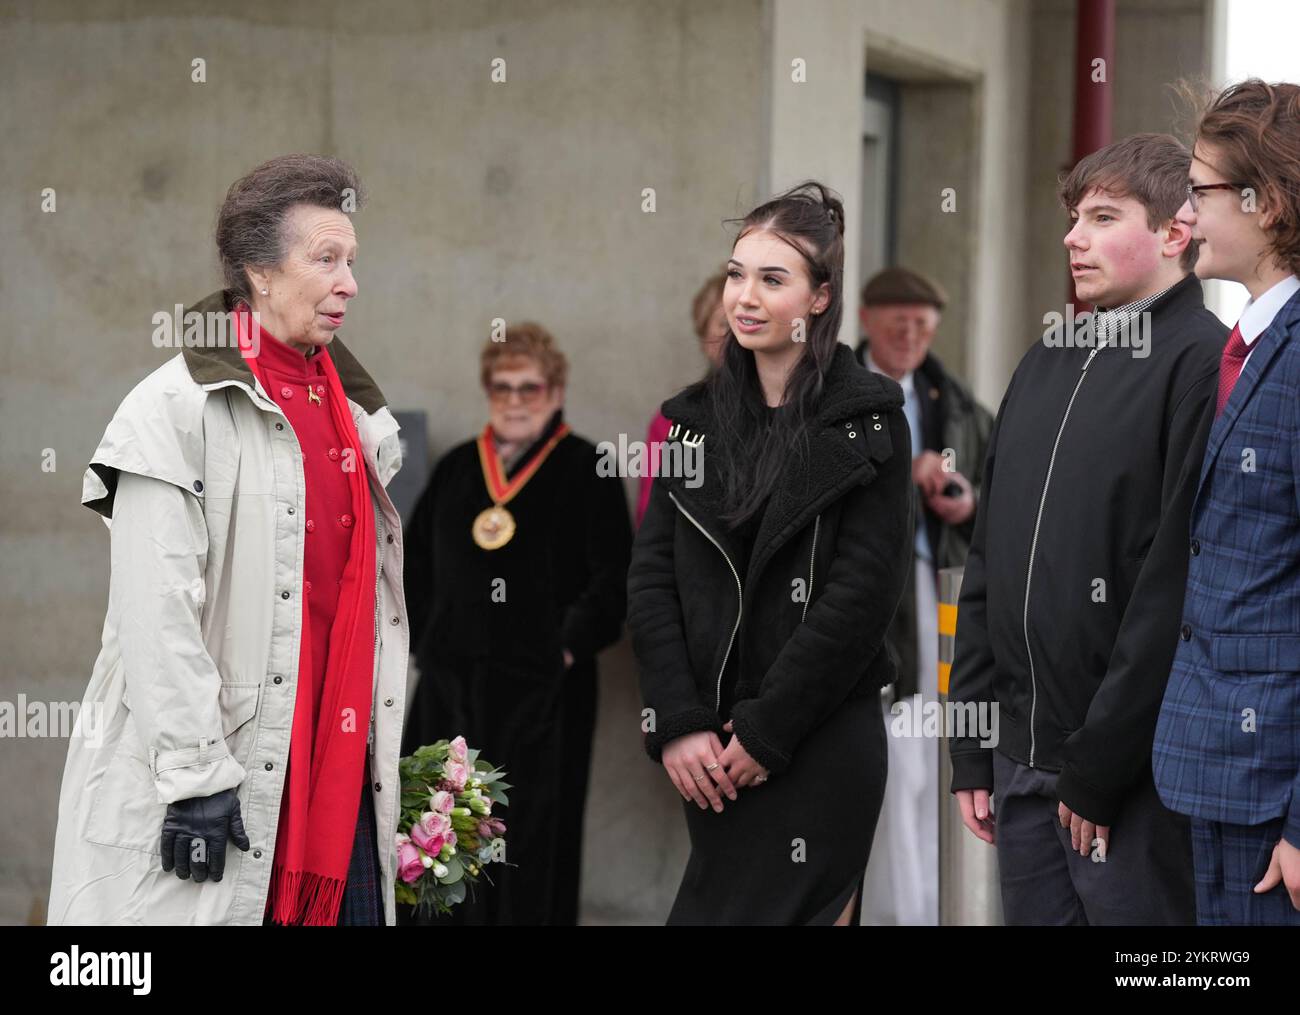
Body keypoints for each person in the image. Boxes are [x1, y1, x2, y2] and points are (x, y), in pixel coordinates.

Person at [48, 155, 410, 926]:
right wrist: (194, 777)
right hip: (227, 771)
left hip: (333, 766)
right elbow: (156, 610)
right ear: (259, 271)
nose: (350, 283)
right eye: (326, 259)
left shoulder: (355, 413)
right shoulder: (171, 409)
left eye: (352, 261)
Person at [947, 133, 1226, 925]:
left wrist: (1101, 766)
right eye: (1075, 216)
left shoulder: (1201, 365)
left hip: (1127, 785)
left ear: (1177, 231)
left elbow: (1172, 588)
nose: (1074, 236)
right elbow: (987, 563)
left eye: (1104, 216)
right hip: (1018, 766)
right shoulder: (1043, 359)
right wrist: (972, 742)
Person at [628, 181, 912, 925]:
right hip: (711, 751)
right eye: (736, 273)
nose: (744, 296)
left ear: (819, 299)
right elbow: (652, 579)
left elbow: (862, 597)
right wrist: (678, 721)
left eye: (772, 278)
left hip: (815, 743)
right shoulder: (691, 424)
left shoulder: (869, 421)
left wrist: (768, 728)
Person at [401, 323, 632, 925]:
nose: (515, 400)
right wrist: (429, 645)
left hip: (543, 693)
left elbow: (615, 579)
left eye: (529, 388)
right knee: (437, 838)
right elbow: (412, 564)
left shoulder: (589, 468)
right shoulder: (456, 470)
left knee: (532, 837)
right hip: (450, 687)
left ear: (555, 391)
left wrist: (565, 648)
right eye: (502, 387)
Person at [1153, 79, 1300, 925]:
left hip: (1274, 799)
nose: (1187, 213)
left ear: (1268, 202)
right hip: (1208, 772)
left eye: (1201, 191)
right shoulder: (1245, 343)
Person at [853, 267, 993, 926]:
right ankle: (886, 908)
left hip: (943, 590)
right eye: (896, 321)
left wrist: (964, 505)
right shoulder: (836, 390)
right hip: (867, 599)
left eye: (922, 323)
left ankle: (930, 905)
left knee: (932, 748)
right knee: (882, 755)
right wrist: (902, 479)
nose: (909, 334)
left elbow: (999, 491)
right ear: (865, 319)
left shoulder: (956, 399)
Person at [635, 268, 728, 529]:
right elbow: (651, 520)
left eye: (748, 322)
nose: (737, 334)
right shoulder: (672, 420)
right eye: (725, 324)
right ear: (703, 338)